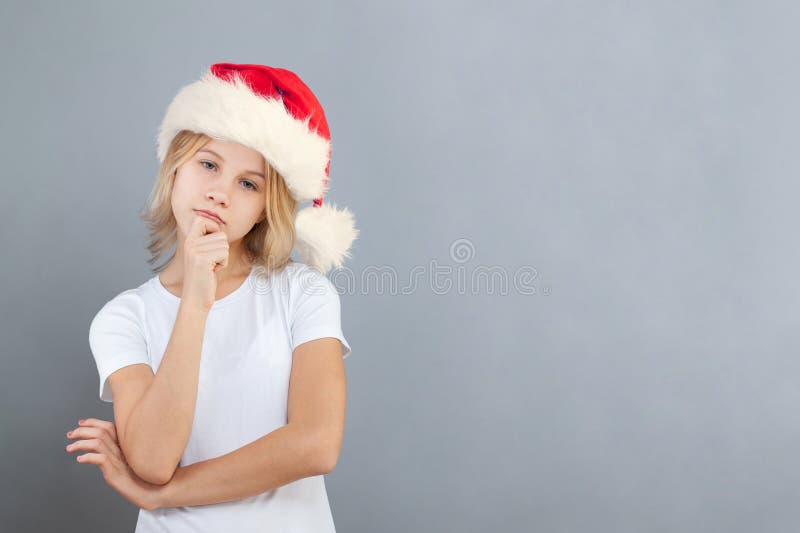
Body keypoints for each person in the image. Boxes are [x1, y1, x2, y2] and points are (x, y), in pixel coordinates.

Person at [67, 63, 358, 532]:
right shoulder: (123, 318)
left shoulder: (303, 293)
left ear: (264, 209)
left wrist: (164, 495)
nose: (220, 193)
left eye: (248, 183)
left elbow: (316, 444)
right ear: (175, 168)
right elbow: (152, 460)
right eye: (208, 164)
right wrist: (196, 301)